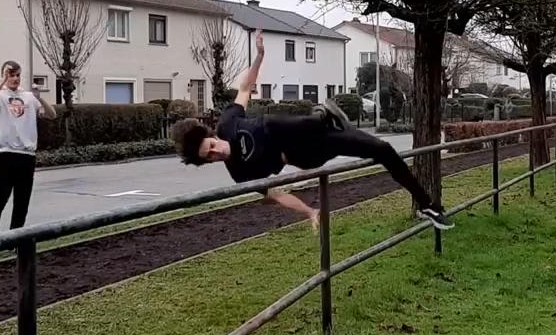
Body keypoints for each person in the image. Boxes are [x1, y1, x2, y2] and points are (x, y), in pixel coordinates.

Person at [171, 31, 451, 230]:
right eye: (209, 158)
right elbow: (277, 195)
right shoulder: (239, 172)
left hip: (316, 131)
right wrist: (309, 211)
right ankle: (325, 117)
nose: (215, 154)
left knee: (384, 149)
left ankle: (427, 205)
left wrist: (259, 57)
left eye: (210, 147)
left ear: (211, 136)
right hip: (308, 152)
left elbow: (244, 88)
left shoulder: (228, 123)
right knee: (286, 130)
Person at [0, 60, 56, 234]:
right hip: (6, 154)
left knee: (22, 202)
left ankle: (15, 240)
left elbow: (52, 114)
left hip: (26, 155)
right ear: (4, 76)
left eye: (17, 75)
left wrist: (40, 99)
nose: (15, 78)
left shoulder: (28, 97)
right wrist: (1, 82)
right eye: (11, 75)